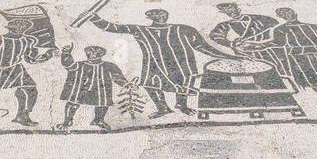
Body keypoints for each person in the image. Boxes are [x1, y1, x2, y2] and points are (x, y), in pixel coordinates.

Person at [89, 8, 230, 117]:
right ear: (150, 17)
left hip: (182, 63)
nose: (162, 17)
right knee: (151, 85)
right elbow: (112, 27)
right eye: (158, 15)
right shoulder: (141, 30)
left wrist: (228, 56)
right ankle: (162, 108)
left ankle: (182, 106)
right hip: (154, 64)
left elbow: (202, 46)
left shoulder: (183, 29)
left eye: (163, 15)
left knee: (183, 83)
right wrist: (94, 17)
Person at [54, 45, 127, 130]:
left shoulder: (108, 65)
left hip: (100, 89)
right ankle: (67, 121)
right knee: (73, 102)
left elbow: (117, 77)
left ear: (101, 55)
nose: (93, 55)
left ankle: (98, 120)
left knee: (103, 104)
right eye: (91, 53)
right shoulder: (80, 65)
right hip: (82, 88)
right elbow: (68, 65)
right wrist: (66, 53)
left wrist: (126, 84)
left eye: (96, 53)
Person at [209, 1, 279, 56]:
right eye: (228, 12)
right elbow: (215, 36)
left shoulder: (258, 18)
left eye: (233, 10)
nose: (232, 13)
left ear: (238, 9)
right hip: (244, 52)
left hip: (265, 49)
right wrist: (232, 44)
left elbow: (274, 26)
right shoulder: (225, 25)